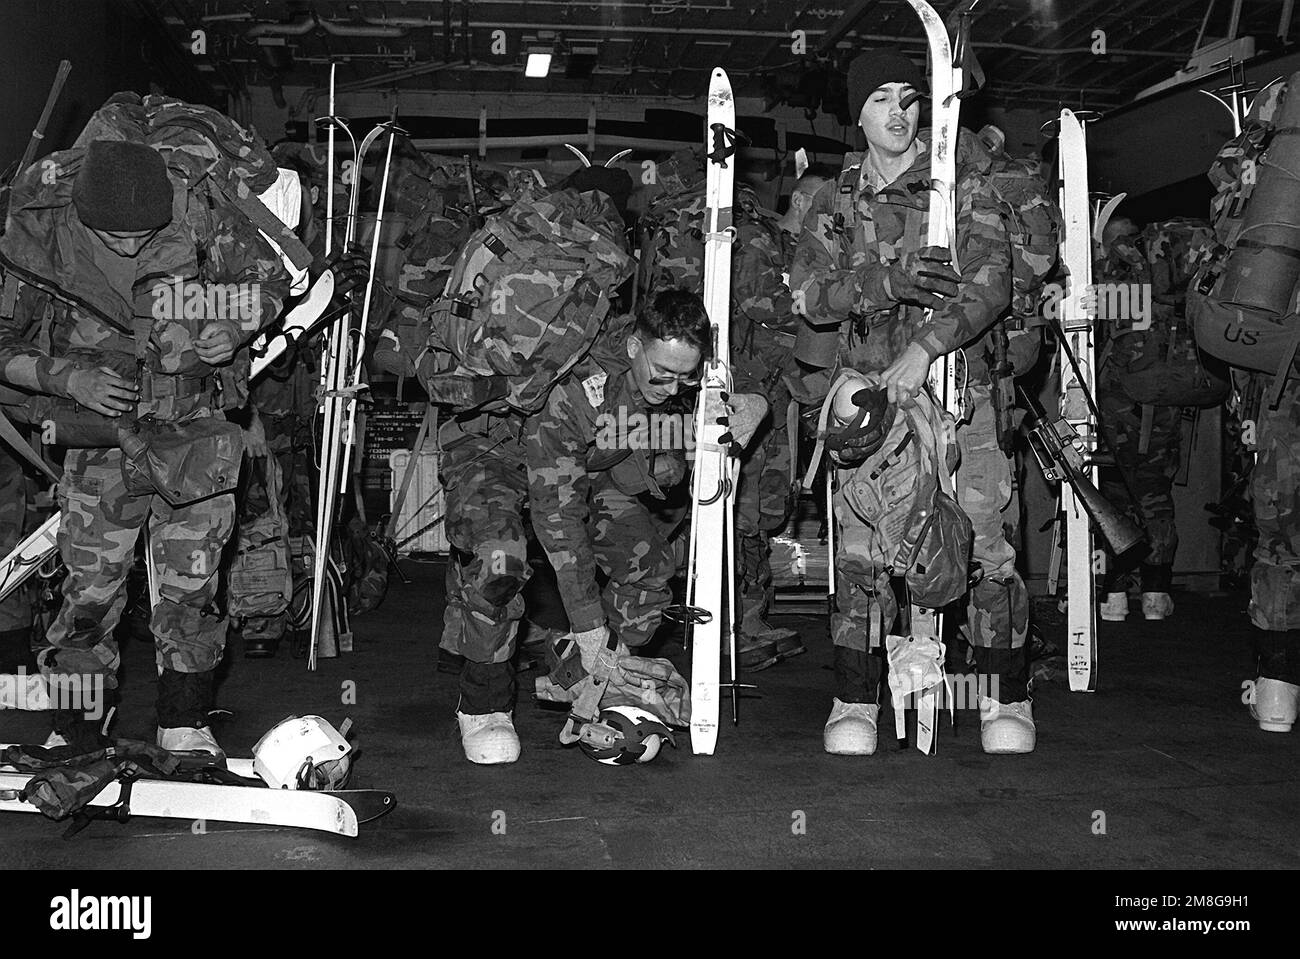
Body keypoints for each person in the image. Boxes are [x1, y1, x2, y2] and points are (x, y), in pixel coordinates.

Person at [0, 134, 290, 757]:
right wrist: (66, 377)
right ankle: (79, 727)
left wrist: (235, 325)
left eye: (144, 234)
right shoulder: (40, 246)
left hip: (196, 435)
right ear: (81, 215)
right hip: (101, 442)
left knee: (194, 590)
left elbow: (266, 283)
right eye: (114, 237)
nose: (131, 246)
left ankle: (184, 721)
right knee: (87, 595)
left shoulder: (201, 216)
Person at [789, 48, 1032, 756]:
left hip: (961, 388)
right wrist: (886, 282)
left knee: (983, 539)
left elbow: (992, 281)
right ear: (857, 112)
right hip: (865, 401)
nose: (898, 113)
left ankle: (1003, 694)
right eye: (880, 100)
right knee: (863, 550)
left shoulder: (962, 181)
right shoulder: (832, 195)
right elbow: (808, 294)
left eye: (909, 97)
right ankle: (855, 696)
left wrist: (925, 348)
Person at [729, 172, 828, 670]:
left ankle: (750, 618)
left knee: (766, 512)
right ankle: (737, 625)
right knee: (743, 513)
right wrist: (834, 309)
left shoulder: (798, 250)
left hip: (779, 397)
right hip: (750, 399)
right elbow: (761, 305)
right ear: (805, 201)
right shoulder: (758, 241)